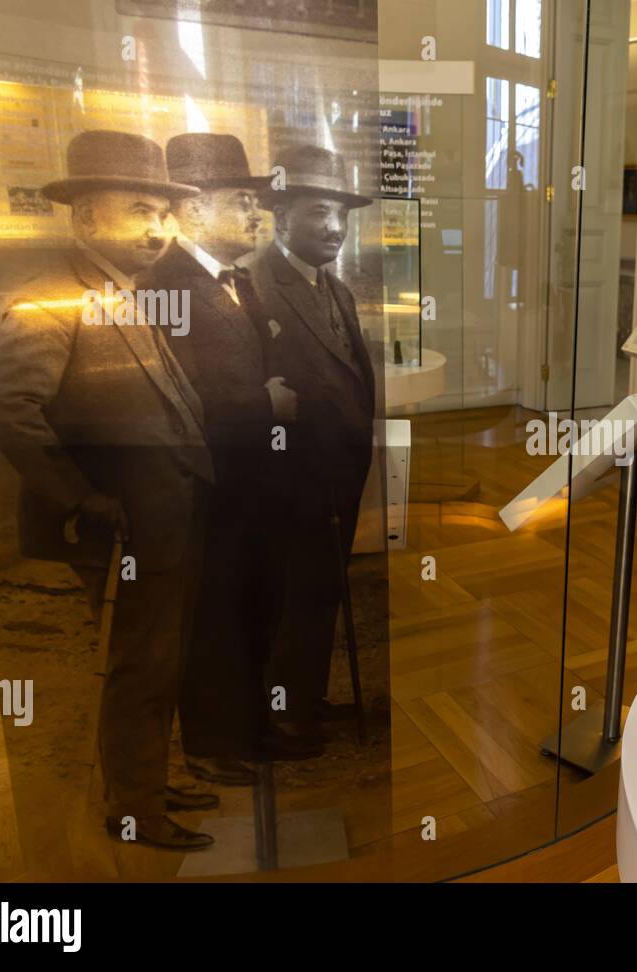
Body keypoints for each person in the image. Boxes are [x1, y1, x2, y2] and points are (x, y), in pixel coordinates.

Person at [0, 130, 216, 851]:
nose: (157, 228)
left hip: (164, 521)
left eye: (166, 213)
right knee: (138, 665)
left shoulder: (126, 291)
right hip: (122, 530)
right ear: (85, 218)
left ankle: (145, 780)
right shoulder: (51, 298)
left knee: (160, 660)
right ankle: (133, 810)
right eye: (140, 209)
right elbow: (8, 411)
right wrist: (80, 496)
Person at [137, 133, 316, 788]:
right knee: (214, 619)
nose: (255, 214)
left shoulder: (240, 280)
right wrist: (263, 402)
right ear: (191, 212)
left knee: (258, 609)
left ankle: (251, 726)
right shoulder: (165, 287)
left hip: (258, 490)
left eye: (255, 201)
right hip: (209, 495)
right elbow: (174, 400)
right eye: (241, 200)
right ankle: (212, 744)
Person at [249, 144, 376, 743]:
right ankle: (278, 712)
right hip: (287, 482)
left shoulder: (337, 290)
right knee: (288, 594)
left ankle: (305, 695)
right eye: (320, 212)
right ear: (282, 217)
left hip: (338, 476)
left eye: (343, 216)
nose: (335, 228)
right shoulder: (254, 286)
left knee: (323, 589)